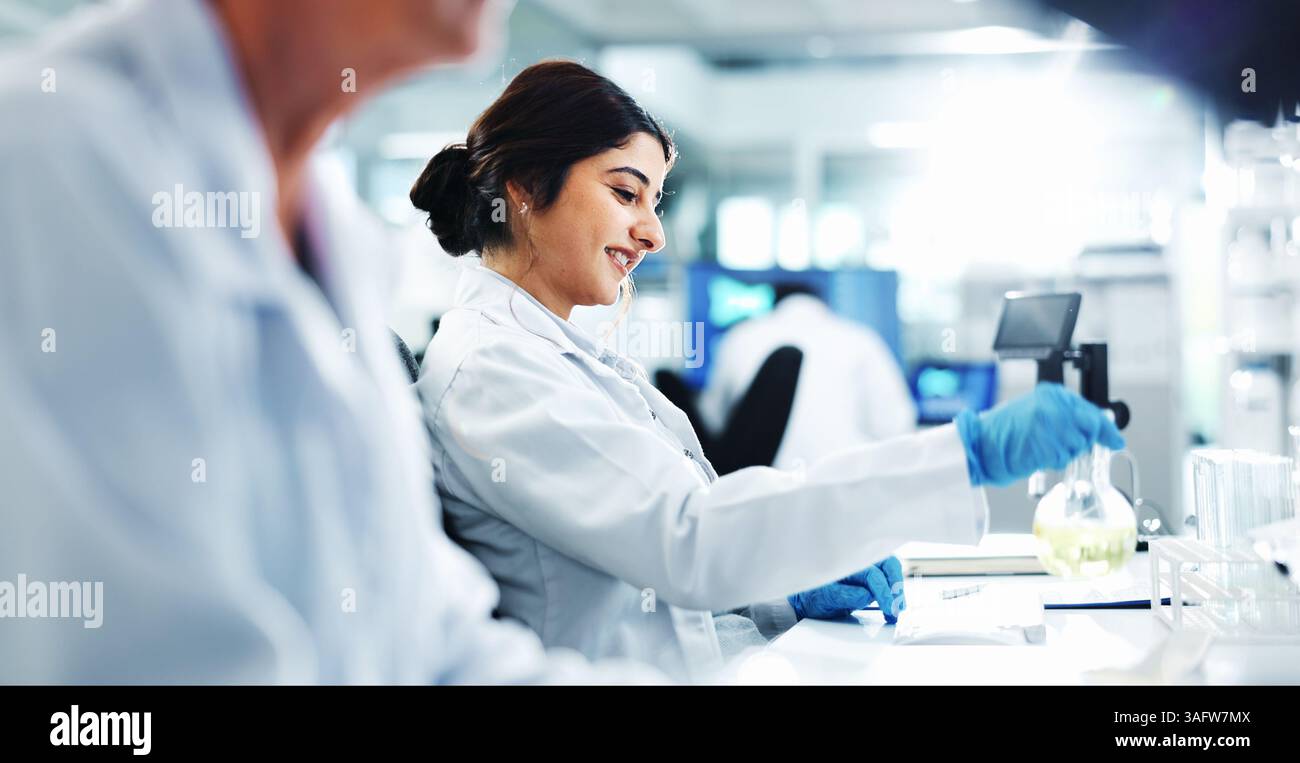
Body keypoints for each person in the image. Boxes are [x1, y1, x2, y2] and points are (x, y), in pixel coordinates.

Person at [0, 0, 657, 684]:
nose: (649, 232)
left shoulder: (323, 218)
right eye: (626, 193)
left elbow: (428, 644)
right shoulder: (50, 168)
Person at [412, 61, 1125, 679]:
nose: (653, 232)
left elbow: (665, 566)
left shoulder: (554, 352)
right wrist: (965, 453)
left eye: (654, 203)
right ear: (528, 187)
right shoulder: (491, 370)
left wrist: (784, 593)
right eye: (627, 194)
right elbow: (688, 536)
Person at [699, 282, 916, 471]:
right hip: (843, 485)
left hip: (761, 492)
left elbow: (713, 420)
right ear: (822, 304)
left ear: (773, 304)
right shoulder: (861, 339)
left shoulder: (740, 337)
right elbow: (895, 425)